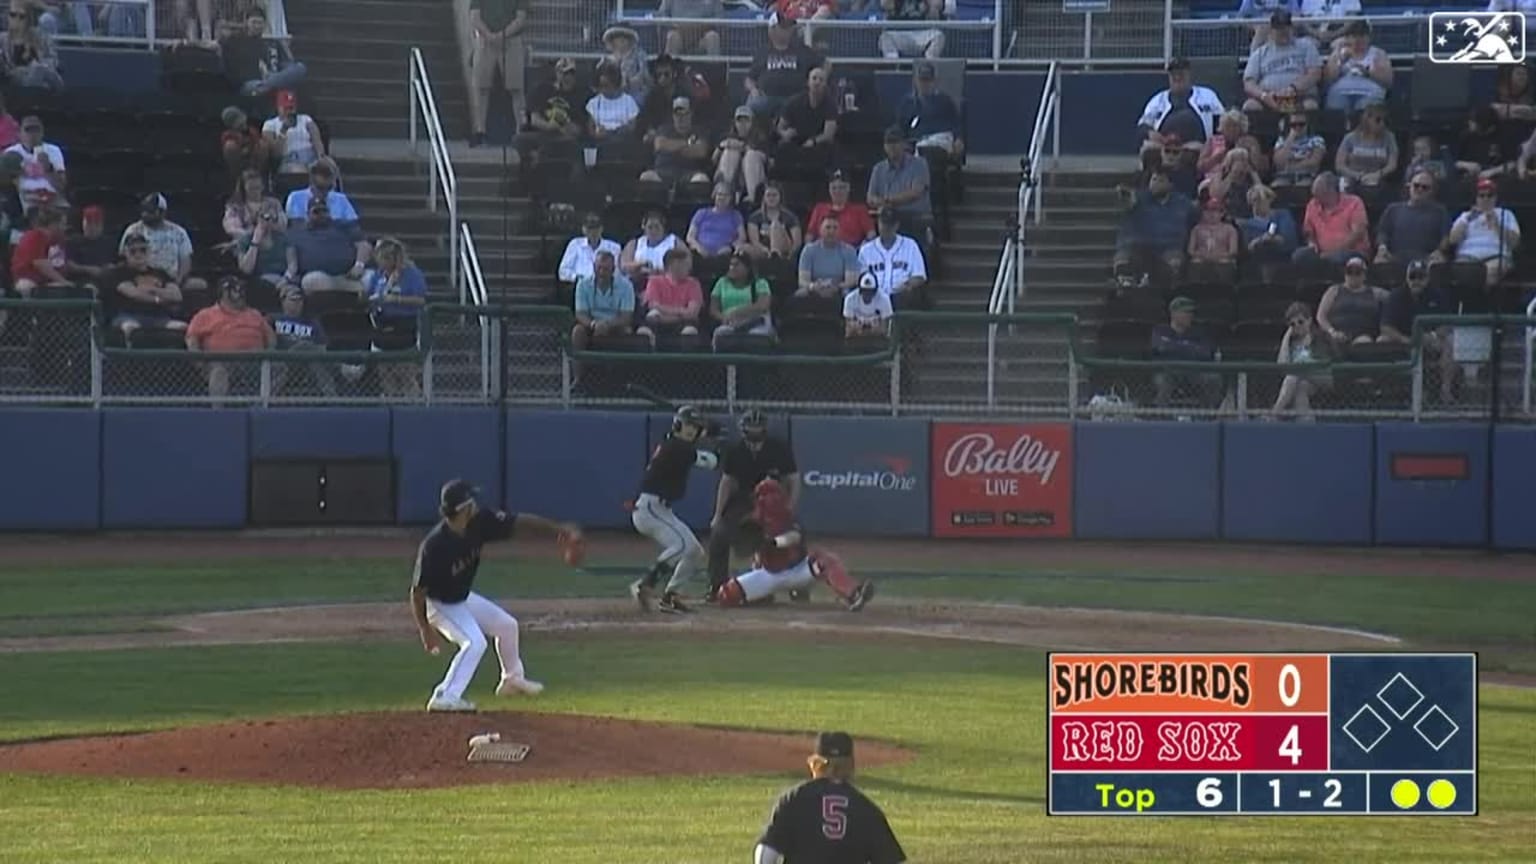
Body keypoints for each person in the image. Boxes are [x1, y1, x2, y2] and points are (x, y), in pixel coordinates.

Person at [412, 478, 583, 712]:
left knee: (507, 625)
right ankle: (445, 695)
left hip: (461, 597)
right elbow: (418, 591)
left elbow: (520, 521)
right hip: (439, 605)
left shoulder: (480, 523)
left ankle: (511, 679)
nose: (477, 505)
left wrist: (558, 530)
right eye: (473, 501)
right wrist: (424, 628)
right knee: (474, 643)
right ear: (465, 508)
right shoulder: (435, 545)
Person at [715, 478, 873, 609]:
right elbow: (744, 551)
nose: (769, 501)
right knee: (726, 595)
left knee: (823, 559)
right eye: (765, 497)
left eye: (772, 497)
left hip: (798, 571)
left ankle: (853, 594)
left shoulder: (789, 518)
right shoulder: (752, 522)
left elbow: (794, 537)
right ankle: (761, 597)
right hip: (769, 574)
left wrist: (773, 542)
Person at [754, 732, 905, 864]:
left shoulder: (794, 799)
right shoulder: (866, 808)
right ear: (850, 765)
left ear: (816, 764)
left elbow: (766, 853)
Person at [630, 406, 719, 615]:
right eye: (688, 425)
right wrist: (717, 441)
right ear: (678, 425)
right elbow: (711, 462)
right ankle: (645, 585)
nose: (691, 430)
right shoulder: (677, 447)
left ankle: (670, 596)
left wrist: (709, 433)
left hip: (660, 510)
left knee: (694, 551)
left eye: (695, 427)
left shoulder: (675, 444)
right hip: (650, 508)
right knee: (680, 546)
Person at [706, 409, 800, 599]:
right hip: (743, 500)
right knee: (719, 535)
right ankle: (717, 586)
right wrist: (718, 514)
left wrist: (790, 508)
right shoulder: (735, 451)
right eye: (751, 427)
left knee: (794, 536)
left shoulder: (779, 448)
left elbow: (794, 480)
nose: (754, 431)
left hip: (773, 502)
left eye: (758, 427)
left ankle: (798, 587)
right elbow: (727, 483)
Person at [185, 277, 276, 401]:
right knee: (218, 372)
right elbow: (192, 339)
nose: (239, 294)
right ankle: (219, 413)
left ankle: (262, 404)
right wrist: (199, 363)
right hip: (222, 360)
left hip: (254, 361)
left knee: (279, 367)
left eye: (240, 290)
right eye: (235, 290)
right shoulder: (205, 314)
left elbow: (270, 336)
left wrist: (269, 352)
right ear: (224, 293)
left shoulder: (254, 313)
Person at [366, 236, 428, 397]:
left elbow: (421, 300)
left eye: (384, 258)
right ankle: (390, 402)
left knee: (405, 373)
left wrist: (396, 299)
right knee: (385, 372)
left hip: (404, 325)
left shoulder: (412, 274)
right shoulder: (378, 275)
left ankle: (413, 406)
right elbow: (370, 295)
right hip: (382, 326)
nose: (380, 261)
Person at [1113, 169, 1195, 284]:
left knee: (1175, 264)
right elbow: (1129, 201)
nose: (1155, 184)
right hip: (1137, 246)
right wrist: (1125, 195)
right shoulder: (1139, 198)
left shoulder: (1182, 203)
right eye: (1153, 180)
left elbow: (1196, 214)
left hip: (1169, 248)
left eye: (1160, 180)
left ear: (1170, 185)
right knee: (1123, 261)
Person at [104, 232, 186, 346]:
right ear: (125, 253)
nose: (138, 254)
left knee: (182, 328)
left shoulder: (161, 273)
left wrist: (150, 290)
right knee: (131, 328)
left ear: (149, 251)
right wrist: (160, 297)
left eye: (143, 250)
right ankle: (130, 361)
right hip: (127, 315)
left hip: (159, 317)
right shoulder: (118, 272)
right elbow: (134, 293)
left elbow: (177, 295)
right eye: (133, 251)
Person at [468, 0, 530, 148]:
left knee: (516, 88)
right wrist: (489, 35)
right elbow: (474, 16)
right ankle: (480, 130)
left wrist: (502, 35)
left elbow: (521, 18)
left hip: (512, 40)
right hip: (485, 40)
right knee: (481, 87)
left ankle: (521, 130)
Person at [516, 56, 589, 181]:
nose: (567, 77)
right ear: (557, 73)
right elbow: (533, 118)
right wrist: (550, 126)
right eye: (564, 73)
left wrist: (561, 125)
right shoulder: (542, 90)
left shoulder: (582, 95)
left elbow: (578, 129)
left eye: (571, 73)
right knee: (520, 139)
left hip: (566, 138)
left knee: (571, 145)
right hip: (542, 133)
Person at [120, 194, 205, 296]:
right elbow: (124, 257)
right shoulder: (133, 230)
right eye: (143, 210)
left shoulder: (178, 231)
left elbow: (186, 260)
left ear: (162, 212)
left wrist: (178, 281)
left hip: (171, 278)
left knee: (200, 284)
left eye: (150, 211)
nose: (145, 214)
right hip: (142, 277)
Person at [1441, 177, 1521, 286]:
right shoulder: (1465, 215)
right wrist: (1467, 220)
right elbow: (1453, 240)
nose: (1485, 199)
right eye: (1482, 195)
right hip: (1467, 257)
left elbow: (1514, 243)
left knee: (1489, 274)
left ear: (1495, 198)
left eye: (1489, 195)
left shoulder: (1505, 214)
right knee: (1464, 273)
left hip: (1495, 257)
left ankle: (1478, 301)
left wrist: (1496, 225)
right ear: (1477, 198)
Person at [1137, 57, 1225, 154]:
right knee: (1148, 148)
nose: (1177, 77)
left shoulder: (1207, 95)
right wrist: (1150, 133)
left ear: (1189, 75)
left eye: (1181, 74)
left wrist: (1209, 145)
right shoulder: (1157, 100)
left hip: (1199, 148)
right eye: (1173, 74)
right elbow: (1142, 127)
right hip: (1165, 148)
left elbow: (1222, 124)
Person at [286, 196, 371, 296]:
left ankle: (352, 291)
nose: (321, 215)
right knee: (311, 281)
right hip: (320, 278)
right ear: (308, 214)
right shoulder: (298, 232)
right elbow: (291, 255)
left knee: (370, 278)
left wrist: (359, 265)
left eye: (324, 211)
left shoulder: (343, 226)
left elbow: (364, 245)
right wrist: (290, 273)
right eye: (316, 212)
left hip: (349, 275)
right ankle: (350, 291)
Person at [1242, 9, 1321, 113]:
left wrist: (1293, 89)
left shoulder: (1306, 45)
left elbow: (1315, 73)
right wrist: (1264, 95)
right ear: (1271, 30)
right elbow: (1249, 83)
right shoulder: (1261, 52)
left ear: (1291, 28)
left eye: (1286, 27)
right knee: (1250, 106)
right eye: (1279, 28)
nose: (1283, 31)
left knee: (1310, 105)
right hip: (1268, 99)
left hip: (1299, 97)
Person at [746, 13, 826, 116]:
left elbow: (825, 64)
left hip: (796, 98)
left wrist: (818, 81)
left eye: (789, 27)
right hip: (768, 98)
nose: (788, 30)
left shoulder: (802, 50)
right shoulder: (763, 52)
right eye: (783, 27)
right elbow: (750, 78)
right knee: (751, 105)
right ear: (772, 29)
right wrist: (753, 90)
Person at [1150, 296, 1223, 408]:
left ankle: (1208, 415)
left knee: (1212, 378)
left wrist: (1175, 346)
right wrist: (1189, 346)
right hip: (1168, 372)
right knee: (1162, 381)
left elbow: (1205, 352)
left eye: (1191, 313)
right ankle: (1160, 416)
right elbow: (1160, 347)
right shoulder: (1160, 330)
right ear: (1173, 314)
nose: (1190, 316)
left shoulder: (1199, 332)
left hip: (1194, 372)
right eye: (1186, 312)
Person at [221, 8, 306, 98]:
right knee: (263, 86)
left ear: (264, 24)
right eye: (254, 22)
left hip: (271, 77)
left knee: (300, 68)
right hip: (251, 84)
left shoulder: (271, 42)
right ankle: (274, 83)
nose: (257, 26)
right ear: (247, 22)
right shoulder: (236, 41)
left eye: (260, 23)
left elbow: (286, 63)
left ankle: (274, 82)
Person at [269, 287, 337, 398]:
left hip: (308, 363)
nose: (297, 303)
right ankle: (343, 368)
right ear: (283, 301)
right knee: (305, 345)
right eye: (293, 299)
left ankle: (331, 396)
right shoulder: (273, 319)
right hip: (284, 360)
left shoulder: (311, 321)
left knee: (312, 353)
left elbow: (322, 347)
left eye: (300, 300)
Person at [867, 127, 932, 240]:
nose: (892, 146)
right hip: (888, 218)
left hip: (913, 217)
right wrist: (880, 202)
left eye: (896, 142)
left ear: (904, 144)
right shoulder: (878, 168)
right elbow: (870, 198)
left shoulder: (919, 164)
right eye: (888, 143)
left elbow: (916, 192)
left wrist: (889, 200)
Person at [1272, 300, 1332, 421]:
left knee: (1293, 376)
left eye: (1300, 322)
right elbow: (1281, 365)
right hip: (1301, 381)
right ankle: (1305, 421)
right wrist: (1286, 337)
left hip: (1322, 376)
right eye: (1292, 324)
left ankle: (1274, 413)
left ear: (1309, 320)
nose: (1297, 326)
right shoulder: (1291, 342)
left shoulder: (1320, 337)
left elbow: (1322, 364)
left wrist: (1300, 366)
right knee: (1300, 387)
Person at [774, 66, 839, 177]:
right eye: (814, 78)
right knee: (782, 148)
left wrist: (813, 141)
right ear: (808, 82)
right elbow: (779, 128)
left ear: (825, 84)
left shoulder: (831, 104)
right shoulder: (793, 102)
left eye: (821, 79)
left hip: (818, 143)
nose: (817, 82)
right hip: (796, 141)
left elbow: (828, 134)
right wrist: (785, 133)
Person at [858, 207, 928, 306]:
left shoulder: (910, 245)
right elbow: (861, 278)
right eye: (883, 223)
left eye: (890, 224)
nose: (886, 227)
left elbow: (919, 276)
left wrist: (906, 285)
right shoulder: (866, 249)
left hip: (902, 296)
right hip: (873, 296)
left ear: (897, 225)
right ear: (878, 223)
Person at [1294, 173, 1368, 264]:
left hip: (1350, 251)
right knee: (1299, 256)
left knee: (1336, 259)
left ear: (1330, 191)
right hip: (1321, 252)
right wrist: (1312, 243)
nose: (1315, 198)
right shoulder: (1313, 204)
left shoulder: (1354, 203)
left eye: (1318, 194)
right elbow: (1308, 231)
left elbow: (1358, 234)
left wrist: (1333, 252)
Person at [1374, 172, 1448, 264]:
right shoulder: (1393, 209)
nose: (1420, 189)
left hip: (1427, 259)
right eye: (1416, 185)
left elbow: (1445, 237)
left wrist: (1439, 251)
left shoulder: (1440, 211)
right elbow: (1382, 232)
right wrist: (1382, 247)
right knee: (1379, 261)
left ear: (1432, 191)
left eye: (1425, 187)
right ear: (1409, 186)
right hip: (1394, 257)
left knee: (1440, 262)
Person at [1315, 255, 1389, 346]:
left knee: (1365, 343)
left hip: (1364, 336)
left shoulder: (1376, 292)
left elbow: (1394, 300)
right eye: (1349, 272)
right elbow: (1321, 316)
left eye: (1357, 272)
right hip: (1336, 336)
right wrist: (1332, 331)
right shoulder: (1334, 291)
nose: (1353, 275)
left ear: (1364, 275)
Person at [571, 249, 636, 351]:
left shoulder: (626, 286)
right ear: (593, 267)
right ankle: (578, 366)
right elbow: (580, 313)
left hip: (616, 326)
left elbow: (626, 317)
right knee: (577, 331)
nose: (601, 272)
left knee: (627, 331)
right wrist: (594, 324)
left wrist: (607, 325)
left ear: (613, 269)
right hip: (591, 325)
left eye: (606, 269)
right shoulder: (582, 284)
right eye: (598, 268)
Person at [641, 97, 713, 189]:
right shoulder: (664, 129)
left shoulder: (699, 131)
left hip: (689, 173)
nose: (680, 118)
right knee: (646, 176)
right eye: (677, 114)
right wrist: (689, 143)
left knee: (702, 179)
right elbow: (660, 145)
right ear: (673, 115)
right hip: (662, 171)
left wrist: (672, 146)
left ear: (691, 113)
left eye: (684, 114)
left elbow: (700, 151)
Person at [709, 252, 775, 350]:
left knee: (757, 338)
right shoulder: (722, 283)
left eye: (737, 265)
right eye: (731, 265)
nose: (732, 268)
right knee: (720, 335)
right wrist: (724, 318)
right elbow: (713, 309)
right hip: (730, 324)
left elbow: (763, 305)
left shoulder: (760, 283)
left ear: (747, 268)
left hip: (755, 323)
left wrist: (738, 312)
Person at [896, 60, 963, 156]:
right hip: (917, 141)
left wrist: (958, 139)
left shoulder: (945, 101)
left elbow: (956, 124)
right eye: (922, 80)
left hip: (940, 140)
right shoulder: (907, 102)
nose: (924, 84)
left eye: (928, 80)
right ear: (916, 81)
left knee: (928, 149)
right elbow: (900, 126)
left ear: (934, 81)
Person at [1322, 20, 1390, 113]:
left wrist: (1368, 73)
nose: (1357, 40)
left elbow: (1388, 81)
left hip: (1369, 92)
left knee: (1367, 108)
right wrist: (1340, 62)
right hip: (1341, 92)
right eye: (1354, 36)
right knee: (1335, 103)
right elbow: (1328, 79)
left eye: (1361, 36)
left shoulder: (1378, 53)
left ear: (1369, 38)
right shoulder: (1339, 52)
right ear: (1347, 38)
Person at [637, 247, 703, 341]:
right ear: (672, 266)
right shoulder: (654, 281)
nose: (689, 268)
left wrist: (665, 314)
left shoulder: (693, 284)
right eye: (685, 265)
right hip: (659, 324)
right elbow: (653, 306)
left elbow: (692, 313)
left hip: (683, 323)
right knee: (645, 328)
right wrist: (681, 313)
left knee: (690, 331)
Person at [1333, 103, 1398, 199]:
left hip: (1376, 177)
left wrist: (1377, 174)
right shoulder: (1350, 138)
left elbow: (1392, 165)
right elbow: (1339, 165)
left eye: (1385, 121)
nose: (1382, 124)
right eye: (1378, 120)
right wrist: (1356, 175)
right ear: (1367, 119)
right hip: (1352, 175)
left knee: (1371, 189)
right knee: (1344, 187)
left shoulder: (1389, 138)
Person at [5, 116, 66, 214]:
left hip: (51, 197)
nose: (32, 135)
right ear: (20, 134)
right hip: (24, 198)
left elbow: (61, 186)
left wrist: (49, 168)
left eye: (36, 130)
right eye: (28, 130)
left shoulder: (53, 150)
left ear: (42, 133)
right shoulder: (12, 153)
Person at [798, 215, 861, 303]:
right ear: (820, 229)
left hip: (839, 289)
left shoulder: (849, 250)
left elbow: (851, 281)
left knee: (850, 295)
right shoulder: (809, 250)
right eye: (828, 227)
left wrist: (835, 286)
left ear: (840, 231)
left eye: (835, 228)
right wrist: (814, 286)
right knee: (799, 295)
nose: (831, 231)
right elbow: (802, 280)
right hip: (814, 289)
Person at [262, 90, 325, 177]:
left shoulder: (305, 119)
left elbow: (316, 140)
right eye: (285, 108)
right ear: (278, 107)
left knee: (328, 168)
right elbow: (276, 153)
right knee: (299, 171)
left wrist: (321, 156)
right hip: (289, 159)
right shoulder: (270, 124)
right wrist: (284, 130)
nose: (289, 111)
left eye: (291, 108)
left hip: (310, 156)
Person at [715, 105, 770, 202]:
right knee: (730, 153)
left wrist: (744, 147)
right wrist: (721, 147)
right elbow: (713, 160)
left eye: (746, 121)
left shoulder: (761, 139)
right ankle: (725, 194)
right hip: (730, 178)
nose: (743, 124)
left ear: (752, 122)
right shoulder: (727, 137)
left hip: (754, 180)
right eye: (739, 121)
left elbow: (769, 162)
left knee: (751, 156)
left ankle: (753, 199)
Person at [0, 5, 62, 90]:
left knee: (39, 72)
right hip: (12, 80)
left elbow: (52, 61)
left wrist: (34, 68)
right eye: (12, 15)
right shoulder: (2, 39)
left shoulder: (43, 39)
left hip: (39, 76)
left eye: (22, 16)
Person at [807, 170, 875, 247]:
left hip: (851, 253)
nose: (837, 191)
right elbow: (810, 234)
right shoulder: (819, 209)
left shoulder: (860, 210)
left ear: (848, 188)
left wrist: (863, 247)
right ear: (829, 189)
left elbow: (871, 234)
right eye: (834, 188)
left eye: (841, 187)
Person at [687, 183, 746, 270]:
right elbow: (690, 237)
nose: (722, 198)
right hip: (700, 252)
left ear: (731, 198)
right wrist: (699, 248)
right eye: (719, 194)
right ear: (714, 196)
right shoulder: (702, 213)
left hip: (725, 254)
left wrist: (731, 247)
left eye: (726, 195)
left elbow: (742, 237)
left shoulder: (735, 215)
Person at [285, 158, 359, 225]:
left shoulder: (341, 199)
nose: (324, 193)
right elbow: (294, 226)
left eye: (328, 188)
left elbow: (353, 224)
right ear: (311, 181)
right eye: (320, 188)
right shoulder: (295, 198)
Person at [558, 212, 623, 288]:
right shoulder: (575, 244)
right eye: (589, 229)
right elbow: (563, 271)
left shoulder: (614, 247)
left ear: (601, 229)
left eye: (596, 229)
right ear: (584, 230)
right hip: (578, 285)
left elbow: (618, 272)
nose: (593, 232)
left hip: (606, 285)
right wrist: (578, 278)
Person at [746, 182, 803, 264]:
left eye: (774, 195)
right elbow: (755, 241)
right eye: (768, 195)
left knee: (775, 225)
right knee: (743, 248)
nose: (771, 198)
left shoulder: (790, 216)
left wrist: (791, 254)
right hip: (763, 251)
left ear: (780, 197)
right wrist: (765, 250)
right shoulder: (755, 217)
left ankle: (775, 259)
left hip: (785, 249)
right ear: (764, 198)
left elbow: (797, 242)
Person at [1241, 184, 1298, 265]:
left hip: (1283, 251)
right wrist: (1260, 240)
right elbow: (1248, 246)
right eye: (1254, 200)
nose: (1257, 204)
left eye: (1260, 200)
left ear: (1269, 200)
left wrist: (1272, 238)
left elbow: (1289, 238)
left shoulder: (1282, 215)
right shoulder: (1247, 224)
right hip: (1259, 254)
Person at [224, 169, 284, 243]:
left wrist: (270, 225)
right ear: (243, 188)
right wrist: (254, 235)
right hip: (244, 245)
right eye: (251, 189)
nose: (256, 191)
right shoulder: (234, 207)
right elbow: (232, 229)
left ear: (262, 187)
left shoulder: (274, 203)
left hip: (273, 243)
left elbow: (283, 224)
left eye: (258, 188)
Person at [620, 209, 681, 282]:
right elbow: (624, 266)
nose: (653, 231)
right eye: (650, 227)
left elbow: (685, 265)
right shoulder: (634, 243)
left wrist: (659, 272)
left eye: (657, 227)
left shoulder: (674, 241)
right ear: (644, 228)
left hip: (666, 282)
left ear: (663, 227)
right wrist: (641, 265)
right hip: (638, 282)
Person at [1271, 112, 1326, 187]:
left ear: (1307, 125)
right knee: (1276, 186)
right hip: (1284, 176)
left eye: (1301, 124)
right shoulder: (1282, 140)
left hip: (1307, 176)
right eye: (1293, 125)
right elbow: (1279, 162)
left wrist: (1290, 166)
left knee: (1301, 187)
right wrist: (1290, 139)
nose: (1297, 128)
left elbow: (1314, 162)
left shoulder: (1316, 140)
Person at [879, 0, 946, 60]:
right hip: (900, 33)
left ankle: (927, 66)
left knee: (938, 36)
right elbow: (885, 5)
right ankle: (893, 65)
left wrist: (932, 6)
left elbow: (937, 6)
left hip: (923, 33)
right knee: (885, 37)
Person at [601, 25, 651, 104]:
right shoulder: (606, 59)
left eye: (625, 37)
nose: (622, 39)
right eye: (618, 37)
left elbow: (644, 75)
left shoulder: (639, 55)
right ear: (612, 41)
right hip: (613, 92)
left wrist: (629, 82)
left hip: (635, 92)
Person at [657, 0, 723, 57]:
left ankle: (714, 70)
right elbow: (662, 15)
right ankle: (668, 70)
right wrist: (674, 25)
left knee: (713, 37)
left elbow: (720, 18)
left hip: (702, 37)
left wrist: (704, 26)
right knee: (672, 37)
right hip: (679, 35)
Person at [843, 270, 895, 337]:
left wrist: (862, 330)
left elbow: (885, 329)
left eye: (870, 291)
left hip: (878, 339)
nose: (867, 294)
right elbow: (848, 330)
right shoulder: (850, 299)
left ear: (876, 290)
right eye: (864, 291)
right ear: (860, 290)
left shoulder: (884, 299)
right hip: (856, 338)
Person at [1188, 198, 1238, 265]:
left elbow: (1233, 251)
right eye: (1207, 210)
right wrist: (1202, 255)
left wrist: (1218, 255)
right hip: (1201, 258)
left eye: (1215, 211)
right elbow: (1190, 250)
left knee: (1225, 262)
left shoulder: (1230, 229)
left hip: (1222, 259)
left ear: (1222, 213)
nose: (1211, 214)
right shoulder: (1196, 229)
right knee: (1196, 262)